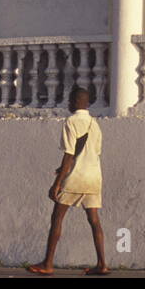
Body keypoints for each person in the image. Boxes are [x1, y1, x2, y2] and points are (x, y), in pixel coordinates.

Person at [26, 86, 110, 275]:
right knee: (94, 220)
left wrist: (56, 183)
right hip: (94, 177)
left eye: (70, 101)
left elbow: (69, 154)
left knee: (57, 218)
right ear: (87, 103)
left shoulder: (71, 122)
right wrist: (64, 168)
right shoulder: (95, 124)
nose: (69, 104)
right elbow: (92, 153)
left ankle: (48, 264)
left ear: (74, 102)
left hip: (75, 178)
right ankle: (102, 264)